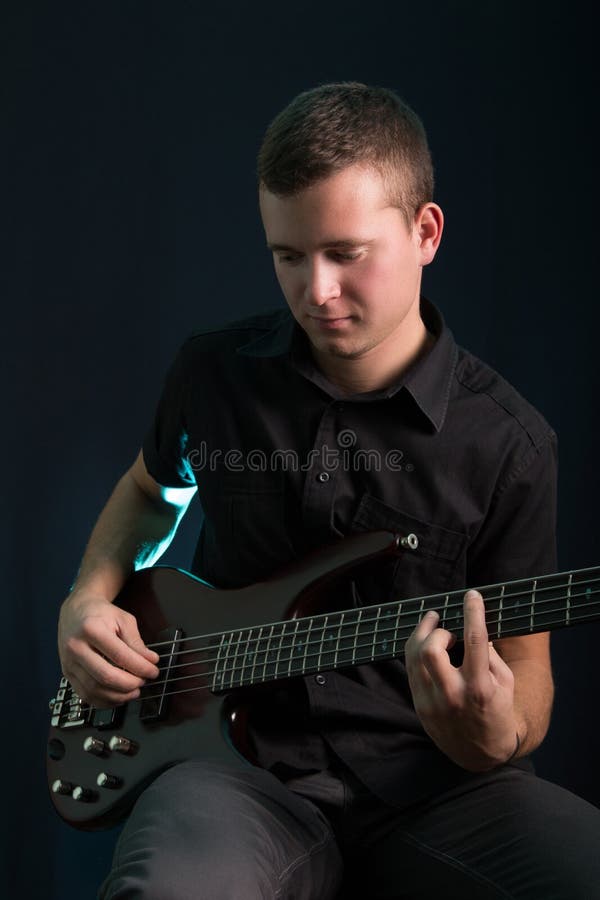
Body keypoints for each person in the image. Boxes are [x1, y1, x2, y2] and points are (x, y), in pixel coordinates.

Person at [57, 82, 600, 899]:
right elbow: (150, 491)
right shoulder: (214, 374)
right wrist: (85, 601)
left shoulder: (510, 445)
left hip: (438, 784)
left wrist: (498, 730)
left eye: (346, 253)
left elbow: (525, 665)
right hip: (230, 775)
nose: (315, 290)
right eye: (288, 255)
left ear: (426, 232)